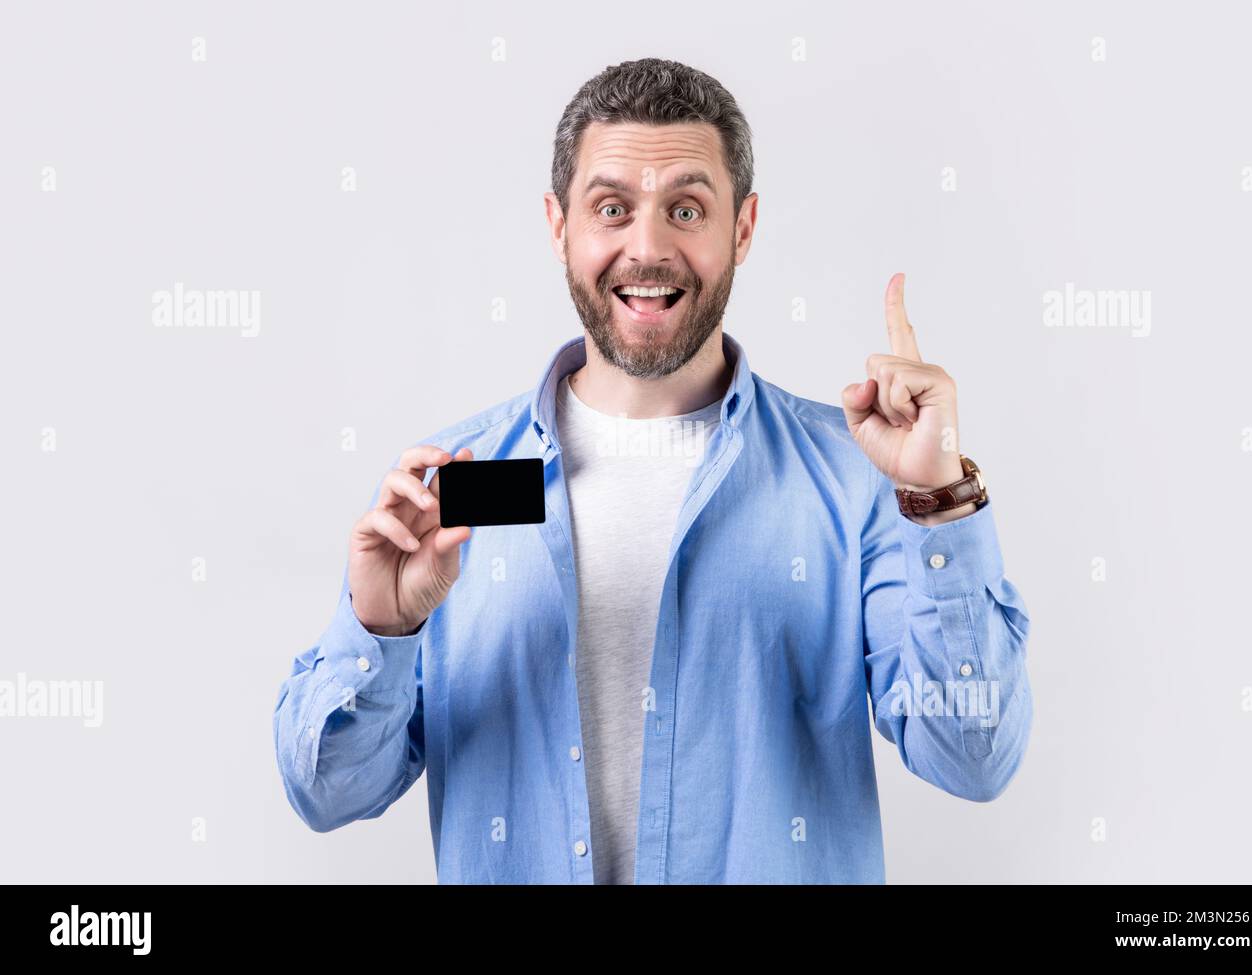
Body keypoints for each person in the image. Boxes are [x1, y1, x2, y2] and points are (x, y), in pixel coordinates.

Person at [273, 57, 1032, 884]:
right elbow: (328, 791)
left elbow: (974, 757)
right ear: (558, 224)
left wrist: (941, 504)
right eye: (611, 208)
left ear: (741, 229)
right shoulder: (454, 487)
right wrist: (382, 630)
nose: (648, 247)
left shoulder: (859, 483)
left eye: (685, 208)